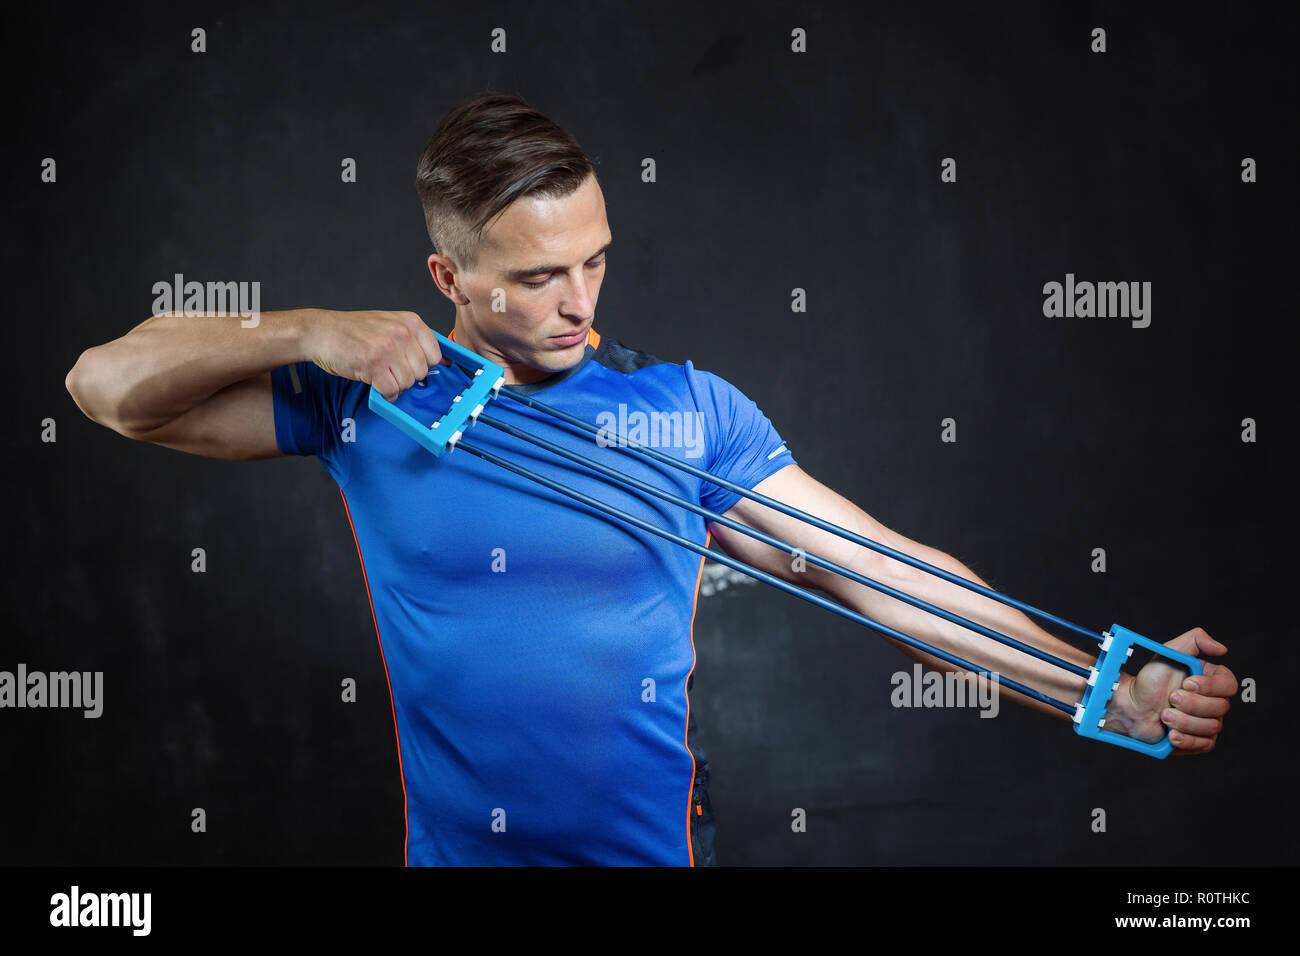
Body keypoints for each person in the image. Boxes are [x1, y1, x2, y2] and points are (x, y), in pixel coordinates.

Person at [64, 92, 1237, 866]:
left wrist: (1104, 690)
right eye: (534, 277)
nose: (578, 301)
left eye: (595, 261)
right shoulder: (361, 398)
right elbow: (105, 387)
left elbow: (888, 576)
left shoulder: (684, 412)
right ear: (450, 277)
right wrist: (311, 328)